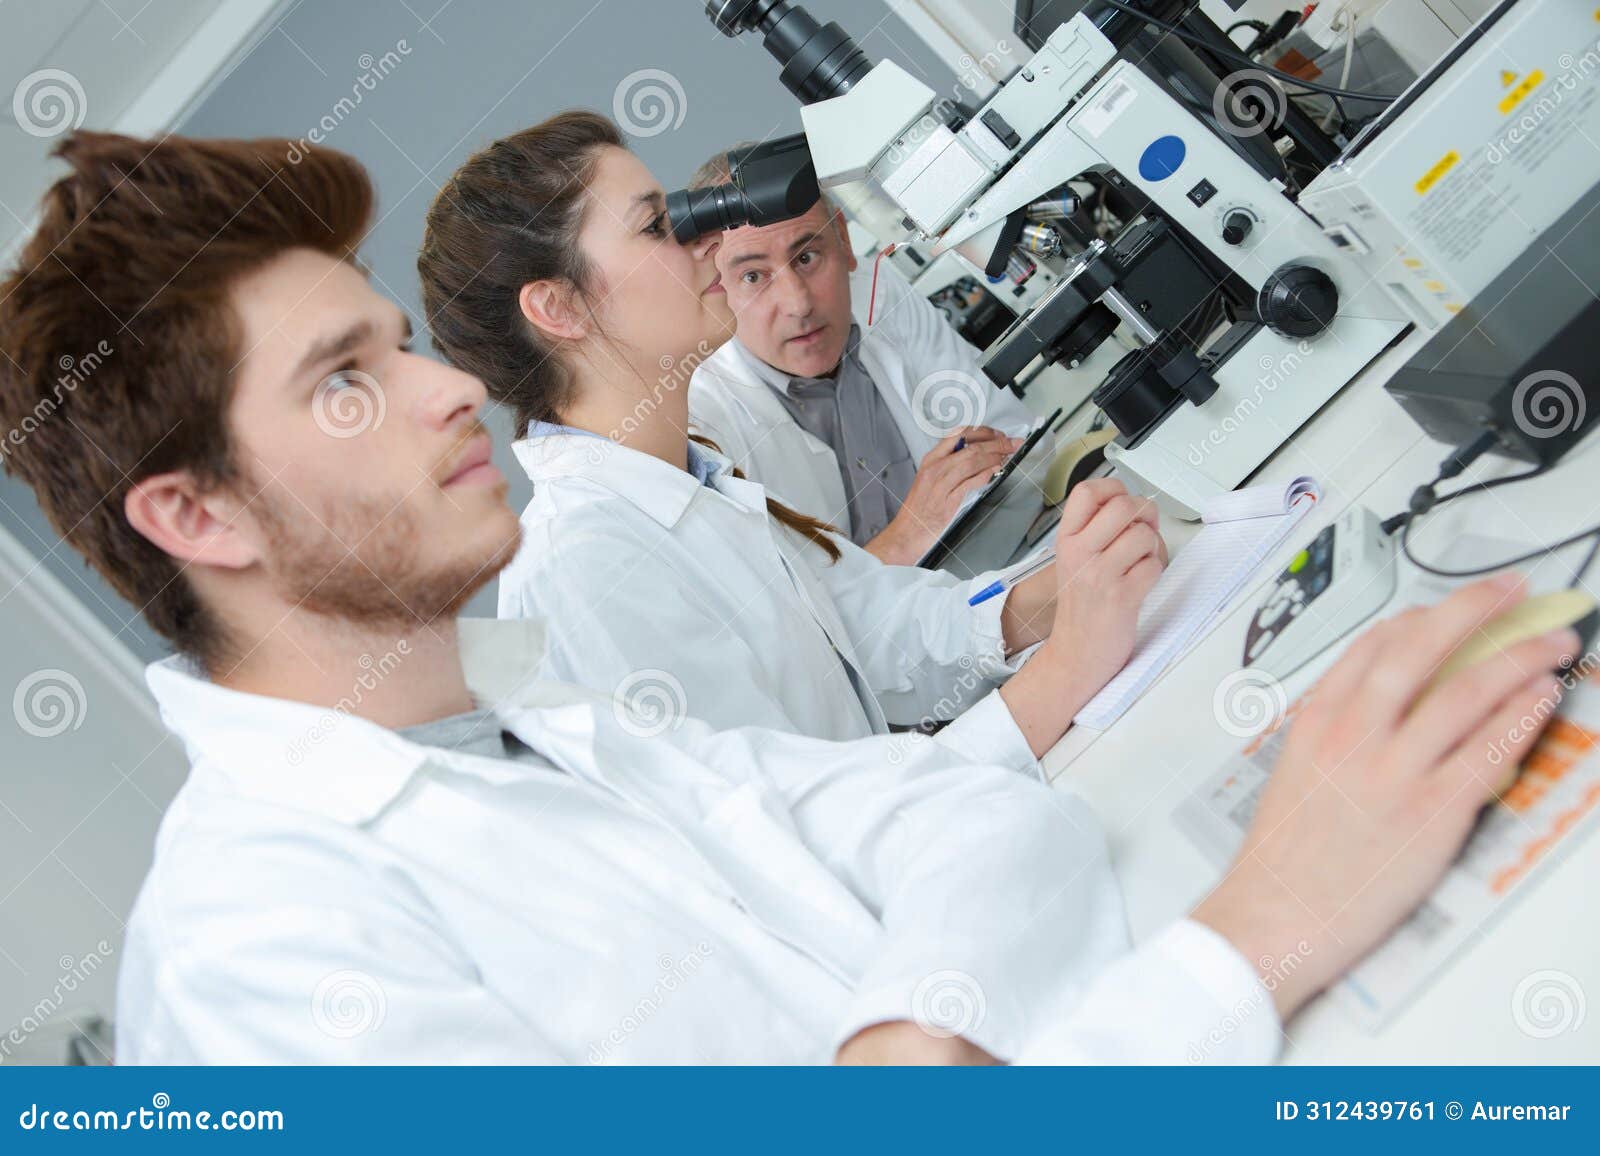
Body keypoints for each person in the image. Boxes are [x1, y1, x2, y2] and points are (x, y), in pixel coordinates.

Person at [0, 129, 1575, 1065]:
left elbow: (975, 827)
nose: (443, 394)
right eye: (349, 380)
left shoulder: (531, 722)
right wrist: (1259, 930)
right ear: (194, 514)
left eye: (399, 339)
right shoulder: (262, 953)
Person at [417, 112, 1162, 748]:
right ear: (561, 309)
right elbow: (800, 819)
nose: (704, 243)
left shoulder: (696, 478)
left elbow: (872, 625)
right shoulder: (586, 567)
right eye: (657, 226)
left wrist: (1060, 590)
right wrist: (1066, 672)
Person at [684, 147, 1044, 566]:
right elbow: (798, 620)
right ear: (712, 286)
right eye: (753, 276)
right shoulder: (705, 415)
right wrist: (910, 532)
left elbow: (1012, 445)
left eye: (806, 257)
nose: (798, 304)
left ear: (843, 239)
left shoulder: (880, 291)